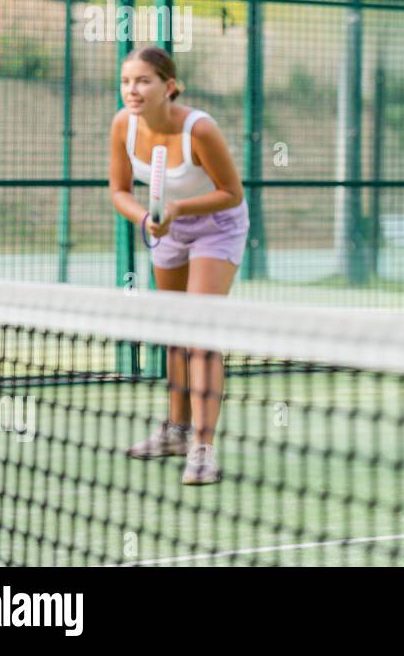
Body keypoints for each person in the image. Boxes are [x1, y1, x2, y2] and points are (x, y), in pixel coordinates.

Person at [108, 46, 249, 485]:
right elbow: (119, 191)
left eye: (143, 81)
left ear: (169, 86)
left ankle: (203, 448)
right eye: (126, 81)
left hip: (216, 225)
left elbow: (232, 193)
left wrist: (178, 209)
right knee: (174, 328)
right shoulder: (122, 125)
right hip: (165, 225)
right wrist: (147, 218)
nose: (132, 90)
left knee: (200, 332)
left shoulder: (199, 129)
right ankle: (175, 431)